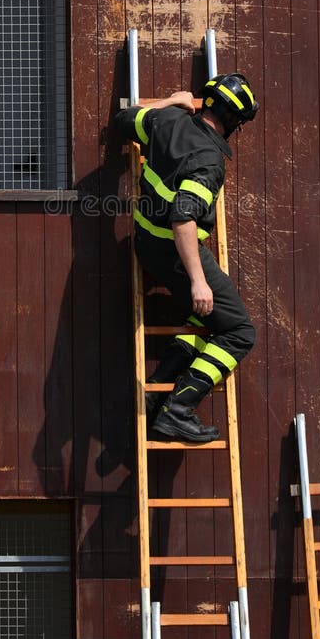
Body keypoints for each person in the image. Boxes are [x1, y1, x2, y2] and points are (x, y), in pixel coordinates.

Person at [116, 73, 259, 443]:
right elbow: (183, 218)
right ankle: (178, 410)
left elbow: (124, 120)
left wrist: (170, 101)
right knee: (239, 332)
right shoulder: (209, 161)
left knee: (208, 317)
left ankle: (159, 389)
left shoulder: (167, 120)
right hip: (175, 254)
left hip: (145, 243)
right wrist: (197, 281)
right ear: (232, 120)